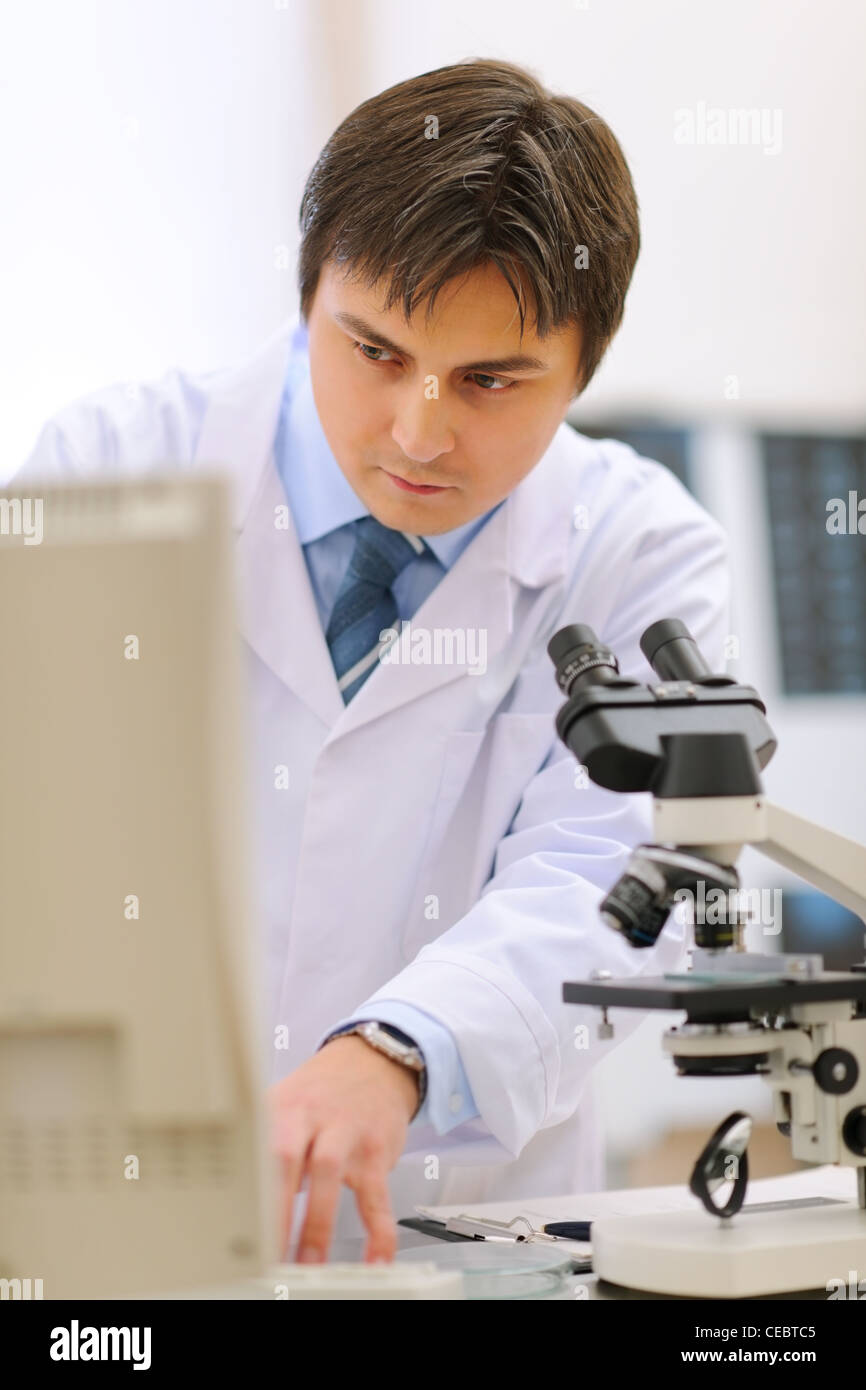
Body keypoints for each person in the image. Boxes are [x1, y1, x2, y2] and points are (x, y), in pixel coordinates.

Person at [14, 57, 730, 1264]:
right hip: (112, 1213)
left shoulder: (636, 553)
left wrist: (397, 1047)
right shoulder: (112, 462)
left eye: (489, 381)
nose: (417, 433)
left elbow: (610, 881)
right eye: (376, 352)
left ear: (581, 373)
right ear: (310, 302)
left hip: (457, 1228)